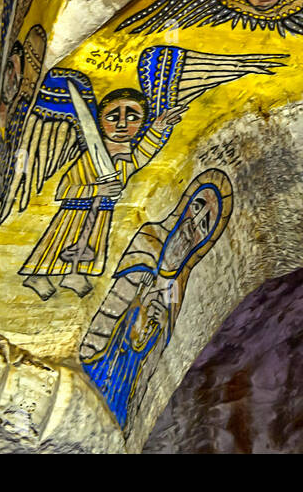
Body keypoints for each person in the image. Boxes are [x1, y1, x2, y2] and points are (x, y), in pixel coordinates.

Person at [81, 170, 233, 430]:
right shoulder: (148, 238)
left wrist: (160, 320)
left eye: (205, 223)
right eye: (196, 207)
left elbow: (155, 357)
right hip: (103, 353)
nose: (193, 222)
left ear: (204, 239)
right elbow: (113, 303)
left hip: (126, 377)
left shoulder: (179, 286)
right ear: (184, 205)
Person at [19, 89, 184, 299]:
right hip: (73, 214)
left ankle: (74, 275)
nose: (122, 125)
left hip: (101, 214)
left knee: (91, 245)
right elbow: (63, 190)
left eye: (133, 118)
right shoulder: (88, 158)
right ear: (99, 121)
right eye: (113, 117)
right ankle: (37, 275)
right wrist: (97, 189)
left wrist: (157, 129)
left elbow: (144, 153)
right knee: (60, 243)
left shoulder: (126, 160)